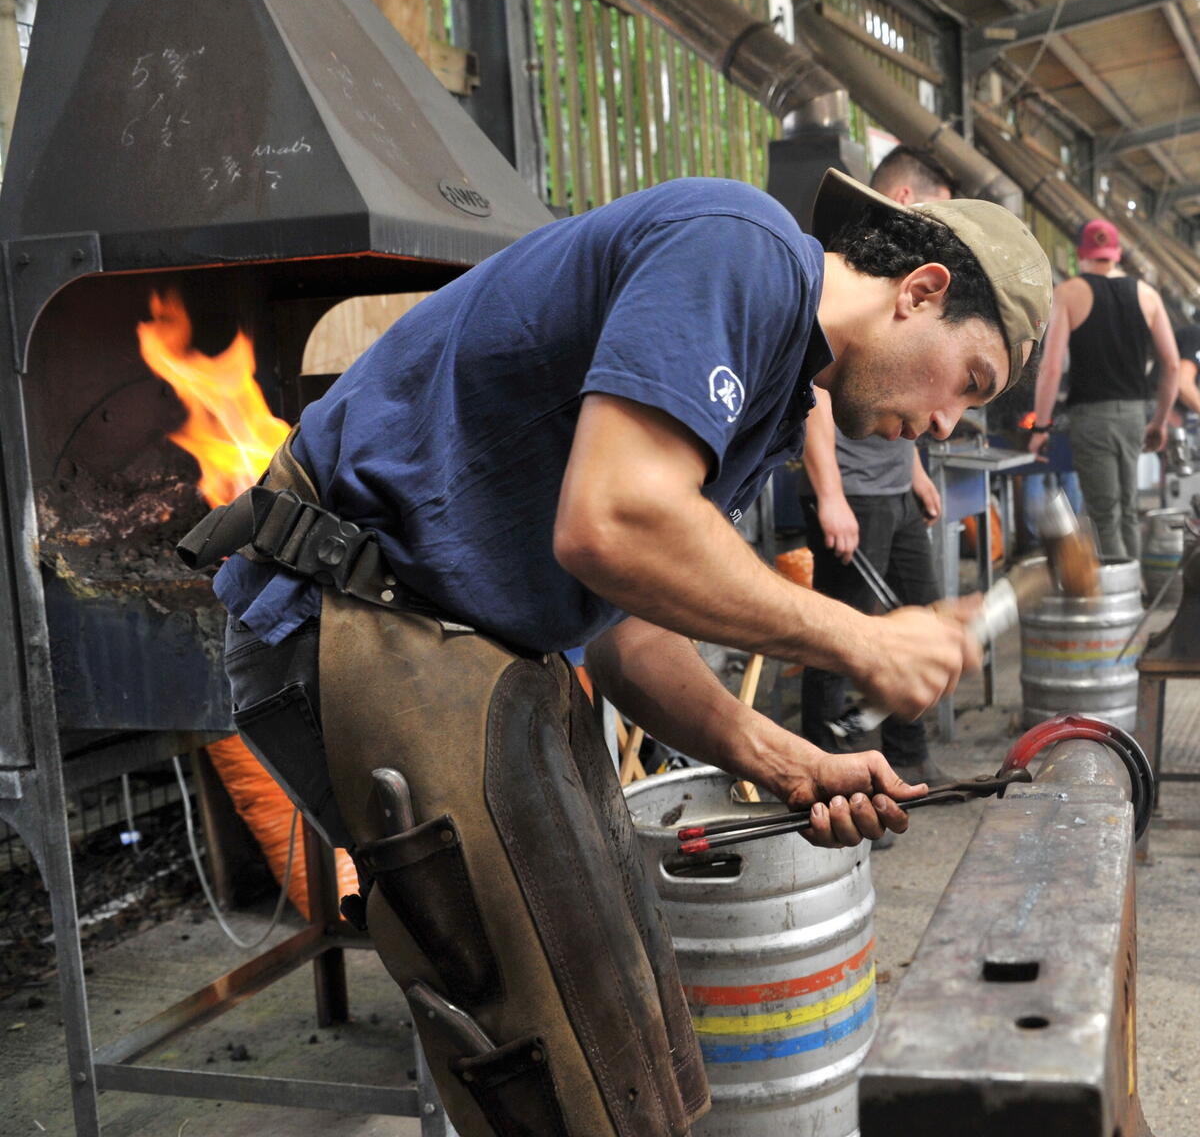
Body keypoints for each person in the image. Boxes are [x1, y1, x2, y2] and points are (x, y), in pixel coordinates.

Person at [182, 170, 1050, 1137]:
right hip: (351, 623)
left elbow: (631, 637)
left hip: (474, 652)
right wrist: (860, 638)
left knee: (640, 1044)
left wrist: (792, 764)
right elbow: (614, 525)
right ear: (922, 290)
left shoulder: (772, 389)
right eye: (968, 382)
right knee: (545, 1065)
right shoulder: (742, 247)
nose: (944, 427)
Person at [798, 146, 954, 790]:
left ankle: (906, 760)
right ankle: (835, 775)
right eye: (943, 221)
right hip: (853, 496)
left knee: (920, 617)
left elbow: (909, 397)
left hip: (893, 487)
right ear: (908, 202)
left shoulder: (907, 309)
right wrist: (829, 493)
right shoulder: (836, 291)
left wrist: (914, 469)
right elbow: (810, 396)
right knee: (844, 640)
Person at [1029, 218, 1179, 559]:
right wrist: (1159, 421)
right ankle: (1134, 597)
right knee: (1128, 509)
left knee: (1104, 515)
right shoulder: (1148, 295)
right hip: (1134, 416)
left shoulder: (1068, 293)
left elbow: (1051, 368)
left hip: (1092, 419)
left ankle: (1119, 604)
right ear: (1117, 253)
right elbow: (1171, 365)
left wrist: (1041, 425)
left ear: (1082, 254)